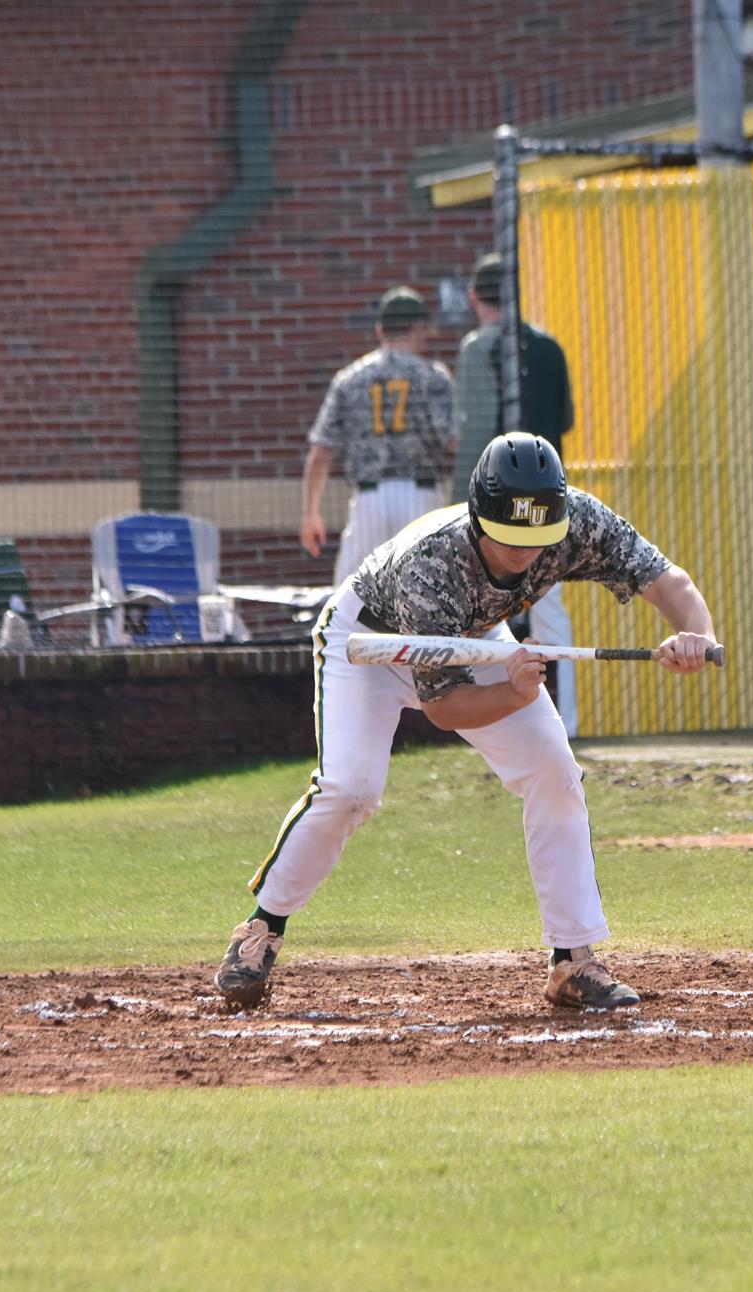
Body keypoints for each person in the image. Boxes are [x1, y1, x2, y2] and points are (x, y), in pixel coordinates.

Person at [217, 433, 720, 1012]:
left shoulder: (576, 520)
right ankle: (260, 931)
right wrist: (514, 690)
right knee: (351, 790)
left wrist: (695, 638)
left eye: (538, 541)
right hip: (372, 644)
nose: (525, 554)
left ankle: (573, 960)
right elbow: (444, 709)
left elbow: (669, 582)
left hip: (475, 637)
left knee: (555, 774)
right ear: (480, 519)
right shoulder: (431, 565)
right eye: (509, 540)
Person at [454, 252, 581, 736]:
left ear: (474, 297)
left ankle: (483, 720)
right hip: (547, 499)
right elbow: (565, 418)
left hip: (492, 505)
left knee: (475, 610)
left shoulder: (474, 348)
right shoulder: (548, 345)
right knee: (550, 611)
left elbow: (471, 432)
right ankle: (564, 723)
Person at [303, 287, 457, 584]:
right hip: (421, 498)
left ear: (379, 329)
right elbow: (452, 441)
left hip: (369, 501)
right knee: (428, 592)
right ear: (418, 327)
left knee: (350, 602)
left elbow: (321, 452)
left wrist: (311, 513)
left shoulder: (350, 378)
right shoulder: (433, 376)